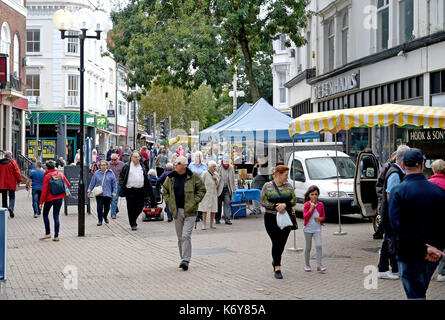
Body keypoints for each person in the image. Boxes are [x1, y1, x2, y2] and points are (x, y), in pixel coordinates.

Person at [388, 148, 445, 299]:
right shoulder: (438, 192)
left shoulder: (397, 191)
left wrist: (423, 248)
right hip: (432, 254)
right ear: (422, 164)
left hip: (408, 253)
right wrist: (436, 247)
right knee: (419, 292)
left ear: (403, 165)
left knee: (415, 295)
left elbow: (396, 226)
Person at [162, 156, 206, 271]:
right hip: (176, 211)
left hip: (190, 211)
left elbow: (202, 190)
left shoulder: (194, 177)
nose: (175, 165)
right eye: (175, 163)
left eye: (178, 163)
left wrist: (195, 201)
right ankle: (183, 258)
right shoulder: (170, 177)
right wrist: (169, 202)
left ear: (185, 165)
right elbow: (164, 191)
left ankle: (186, 260)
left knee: (186, 235)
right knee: (180, 237)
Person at [377, 145, 409, 280]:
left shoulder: (396, 171)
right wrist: (395, 214)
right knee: (390, 241)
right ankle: (385, 269)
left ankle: (388, 268)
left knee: (389, 240)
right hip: (391, 214)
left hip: (390, 213)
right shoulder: (395, 173)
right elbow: (391, 196)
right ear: (402, 159)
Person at [260, 165, 296, 279]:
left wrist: (285, 205)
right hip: (271, 218)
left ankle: (275, 260)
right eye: (285, 175)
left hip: (286, 218)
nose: (287, 177)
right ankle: (277, 266)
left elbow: (294, 200)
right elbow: (262, 201)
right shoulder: (267, 186)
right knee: (276, 242)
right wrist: (275, 206)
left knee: (282, 243)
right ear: (279, 175)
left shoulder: (289, 186)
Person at [39, 160, 71, 241]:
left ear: (46, 168)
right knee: (56, 216)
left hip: (49, 199)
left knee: (45, 214)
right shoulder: (60, 174)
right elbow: (68, 185)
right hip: (59, 198)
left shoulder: (47, 176)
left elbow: (44, 191)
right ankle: (56, 236)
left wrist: (41, 202)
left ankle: (48, 233)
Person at [119, 151, 152, 231]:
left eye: (138, 157)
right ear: (131, 158)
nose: (138, 158)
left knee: (140, 207)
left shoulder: (142, 165)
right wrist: (122, 185)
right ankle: (133, 223)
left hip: (141, 190)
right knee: (131, 208)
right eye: (136, 157)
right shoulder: (127, 166)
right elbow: (121, 177)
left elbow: (145, 176)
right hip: (130, 190)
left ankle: (134, 219)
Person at [373, 151, 397, 239]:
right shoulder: (390, 168)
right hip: (384, 195)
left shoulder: (389, 166)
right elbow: (380, 182)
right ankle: (380, 232)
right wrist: (381, 196)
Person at [428, 159, 445, 282]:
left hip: (431, 220)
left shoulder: (428, 183)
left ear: (433, 170)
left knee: (432, 243)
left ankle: (429, 269)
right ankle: (442, 272)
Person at [303, 185, 326, 272]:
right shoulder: (306, 205)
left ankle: (319, 265)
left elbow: (323, 217)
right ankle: (307, 265)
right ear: (309, 195)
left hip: (317, 229)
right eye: (312, 194)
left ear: (318, 195)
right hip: (308, 229)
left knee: (319, 245)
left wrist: (320, 219)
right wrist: (311, 208)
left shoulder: (321, 204)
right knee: (308, 247)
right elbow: (305, 217)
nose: (314, 196)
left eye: (316, 194)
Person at [88, 160, 117, 226]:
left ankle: (105, 216)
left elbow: (114, 183)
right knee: (99, 207)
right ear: (100, 166)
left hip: (108, 193)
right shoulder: (97, 173)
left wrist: (114, 192)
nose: (103, 166)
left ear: (107, 166)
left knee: (107, 207)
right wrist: (89, 190)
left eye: (104, 165)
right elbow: (92, 183)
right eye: (102, 165)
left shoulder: (111, 173)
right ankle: (100, 220)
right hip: (99, 193)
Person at [0, 151, 22, 218]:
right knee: (12, 196)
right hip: (11, 182)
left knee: (4, 197)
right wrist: (19, 180)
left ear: (4, 156)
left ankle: (5, 211)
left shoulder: (0, 163)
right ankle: (11, 207)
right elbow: (17, 172)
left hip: (2, 183)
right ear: (10, 156)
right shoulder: (13, 162)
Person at [198, 161, 220, 230]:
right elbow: (200, 182)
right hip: (206, 194)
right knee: (204, 209)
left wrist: (216, 179)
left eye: (215, 166)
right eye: (213, 166)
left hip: (213, 193)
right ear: (210, 167)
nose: (215, 168)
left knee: (213, 209)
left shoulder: (216, 174)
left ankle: (212, 223)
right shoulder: (205, 173)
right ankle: (204, 224)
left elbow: (218, 184)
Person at [216, 156, 235, 225]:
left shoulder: (231, 168)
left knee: (227, 202)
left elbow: (232, 179)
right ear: (222, 161)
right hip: (219, 188)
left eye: (228, 162)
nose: (227, 164)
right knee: (218, 204)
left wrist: (233, 189)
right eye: (225, 162)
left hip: (227, 188)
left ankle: (227, 219)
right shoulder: (218, 167)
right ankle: (217, 218)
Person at [188, 151, 208, 222]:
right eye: (196, 156)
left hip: (202, 185)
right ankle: (195, 216)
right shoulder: (191, 165)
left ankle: (201, 215)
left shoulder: (204, 166)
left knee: (201, 201)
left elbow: (207, 175)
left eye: (199, 156)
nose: (197, 158)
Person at [109, 153, 124, 219]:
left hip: (117, 183)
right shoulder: (108, 164)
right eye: (112, 160)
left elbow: (124, 174)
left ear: (117, 159)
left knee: (115, 198)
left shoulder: (122, 164)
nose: (113, 161)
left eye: (114, 160)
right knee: (109, 198)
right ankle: (115, 208)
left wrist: (121, 181)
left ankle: (113, 214)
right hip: (109, 184)